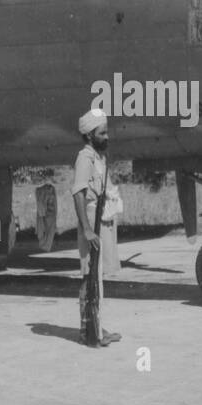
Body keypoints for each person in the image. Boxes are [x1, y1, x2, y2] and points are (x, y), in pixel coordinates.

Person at [72, 108, 121, 347]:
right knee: (88, 276)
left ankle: (98, 328)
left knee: (97, 277)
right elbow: (78, 194)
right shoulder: (85, 158)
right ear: (90, 135)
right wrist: (87, 229)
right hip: (91, 220)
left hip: (100, 218)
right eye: (103, 133)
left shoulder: (98, 158)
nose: (107, 136)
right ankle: (87, 331)